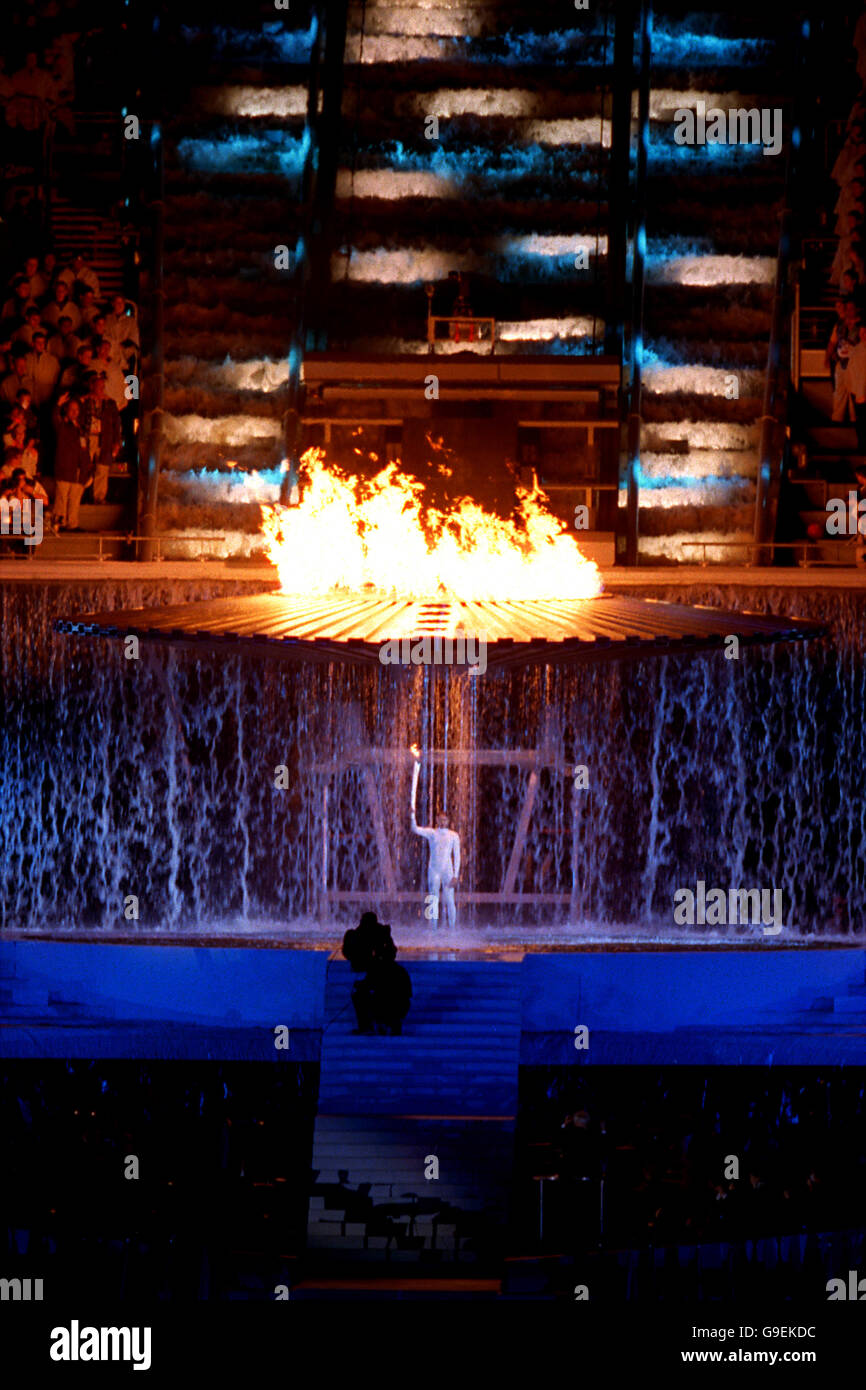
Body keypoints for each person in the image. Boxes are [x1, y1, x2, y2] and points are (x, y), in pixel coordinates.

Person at [341, 912, 411, 1036]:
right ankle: (386, 1024)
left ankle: (375, 1025)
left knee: (364, 995)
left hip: (391, 1002)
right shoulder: (398, 970)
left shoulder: (387, 969)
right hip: (396, 1002)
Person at [411, 805, 461, 927]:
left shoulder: (453, 835)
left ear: (448, 820)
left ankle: (452, 929)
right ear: (437, 820)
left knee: (450, 900)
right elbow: (415, 829)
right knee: (433, 899)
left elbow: (457, 856)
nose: (442, 821)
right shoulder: (431, 833)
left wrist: (456, 875)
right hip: (434, 870)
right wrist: (412, 816)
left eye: (445, 819)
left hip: (447, 870)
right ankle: (432, 929)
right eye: (440, 819)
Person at [79, 371, 121, 503]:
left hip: (105, 439)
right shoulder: (84, 401)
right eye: (98, 386)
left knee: (102, 469)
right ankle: (79, 495)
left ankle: (99, 497)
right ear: (92, 386)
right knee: (83, 466)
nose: (101, 389)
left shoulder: (110, 403)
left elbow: (116, 424)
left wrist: (117, 442)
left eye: (102, 386)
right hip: (88, 437)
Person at [52, 393, 92, 530]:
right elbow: (54, 419)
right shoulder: (62, 426)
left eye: (77, 410)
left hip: (78, 473)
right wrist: (58, 405)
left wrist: (87, 471)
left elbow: (85, 452)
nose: (75, 412)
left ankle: (72, 524)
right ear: (66, 411)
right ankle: (59, 524)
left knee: (74, 501)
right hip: (64, 471)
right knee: (61, 500)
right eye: (72, 409)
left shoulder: (81, 430)